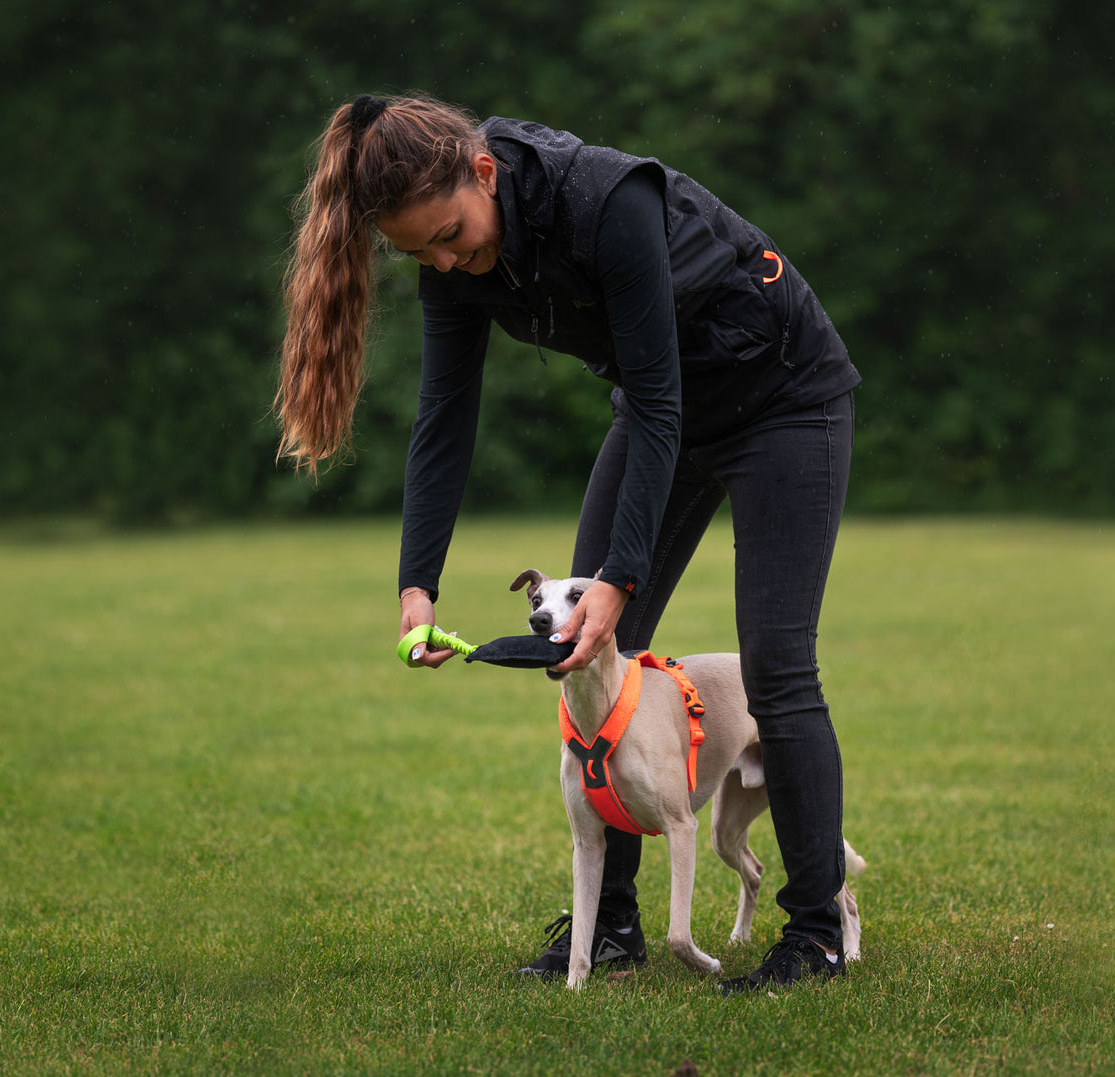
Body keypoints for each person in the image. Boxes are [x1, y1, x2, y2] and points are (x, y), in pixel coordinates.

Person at [276, 93, 861, 993]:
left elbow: (660, 401)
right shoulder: (454, 256)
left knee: (777, 663)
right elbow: (444, 419)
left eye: (451, 234)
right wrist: (416, 587)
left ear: (484, 173)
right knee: (595, 663)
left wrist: (618, 582)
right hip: (664, 411)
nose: (445, 259)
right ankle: (614, 930)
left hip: (781, 396)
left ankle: (816, 935)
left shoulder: (606, 201)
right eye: (420, 251)